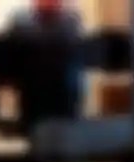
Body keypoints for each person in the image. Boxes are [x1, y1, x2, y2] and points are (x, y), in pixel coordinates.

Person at [6, 0, 85, 132]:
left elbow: (75, 56)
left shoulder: (71, 20)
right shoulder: (20, 20)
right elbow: (11, 57)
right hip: (31, 94)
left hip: (64, 95)